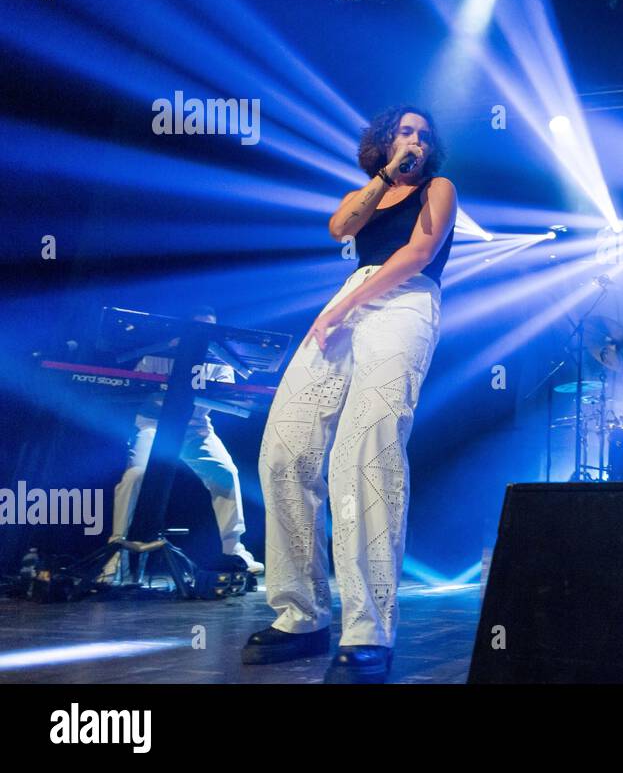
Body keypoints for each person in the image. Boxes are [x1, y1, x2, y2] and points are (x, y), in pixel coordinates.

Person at [243, 105, 456, 684]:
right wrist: (385, 177)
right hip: (353, 294)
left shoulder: (439, 186)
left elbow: (418, 253)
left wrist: (341, 309)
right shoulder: (369, 189)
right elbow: (341, 228)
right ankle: (301, 615)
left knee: (364, 450)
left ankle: (368, 631)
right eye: (406, 132)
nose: (416, 140)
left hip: (405, 298)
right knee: (286, 451)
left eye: (423, 135)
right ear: (386, 140)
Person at [99, 306, 262, 583]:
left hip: (196, 430)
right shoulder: (158, 353)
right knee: (135, 475)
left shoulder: (222, 359)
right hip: (153, 425)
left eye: (209, 329)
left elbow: (226, 398)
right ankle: (117, 553)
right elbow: (135, 386)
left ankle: (233, 550)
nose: (204, 335)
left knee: (226, 474)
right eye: (197, 328)